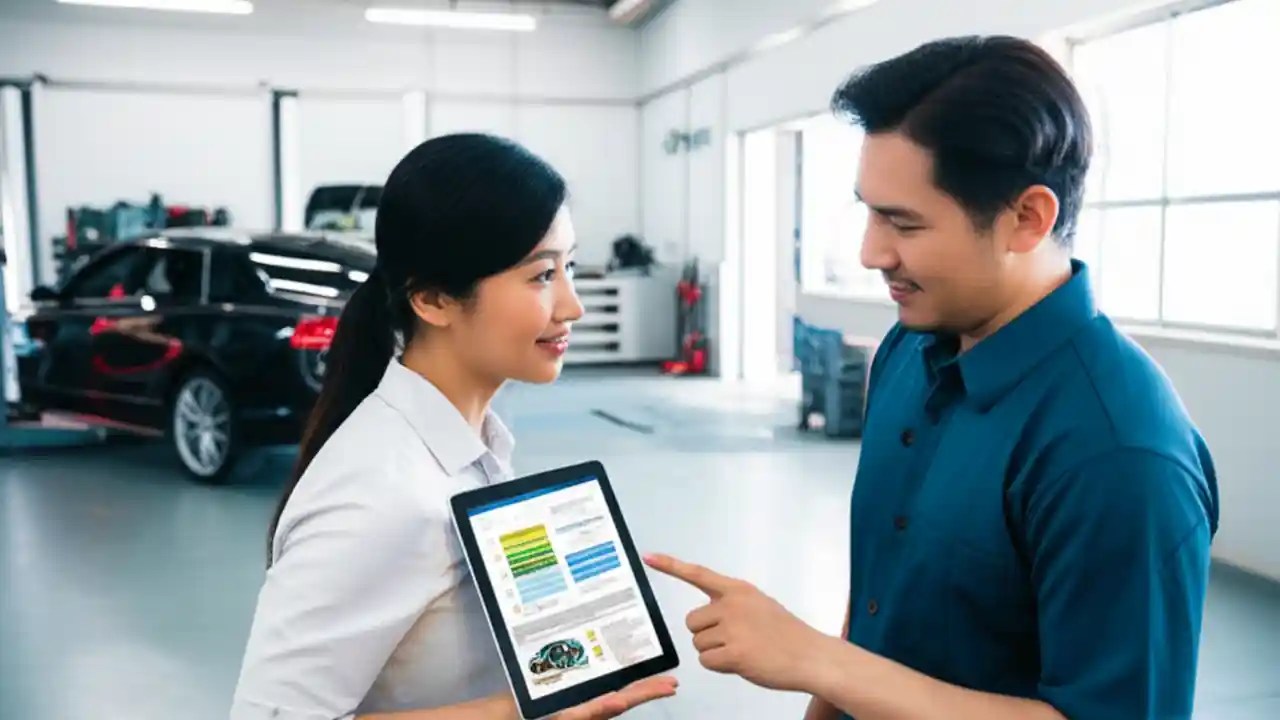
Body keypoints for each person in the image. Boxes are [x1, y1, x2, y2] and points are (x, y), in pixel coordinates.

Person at [645, 35, 1219, 720]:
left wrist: (810, 657)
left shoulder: (1116, 453)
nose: (869, 252)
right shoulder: (910, 351)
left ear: (1027, 219)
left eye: (903, 222)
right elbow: (878, 609)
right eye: (868, 209)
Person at [230, 134, 677, 720]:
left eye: (568, 267)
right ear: (435, 299)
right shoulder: (378, 494)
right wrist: (520, 712)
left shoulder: (470, 445)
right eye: (542, 275)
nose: (573, 306)